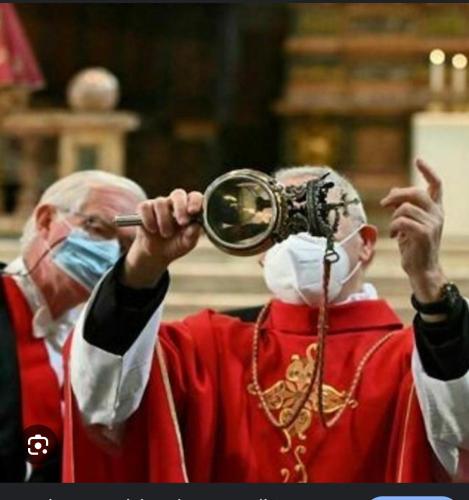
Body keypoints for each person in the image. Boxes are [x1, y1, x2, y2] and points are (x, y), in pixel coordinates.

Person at [66, 159, 469, 482]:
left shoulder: (420, 357)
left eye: (315, 220)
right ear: (258, 250)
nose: (295, 240)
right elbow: (103, 399)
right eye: (277, 226)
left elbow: (462, 432)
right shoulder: (207, 347)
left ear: (365, 243)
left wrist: (429, 279)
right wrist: (144, 264)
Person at [0, 170, 146, 482]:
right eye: (98, 227)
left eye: (126, 246)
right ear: (46, 220)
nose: (111, 252)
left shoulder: (91, 340)